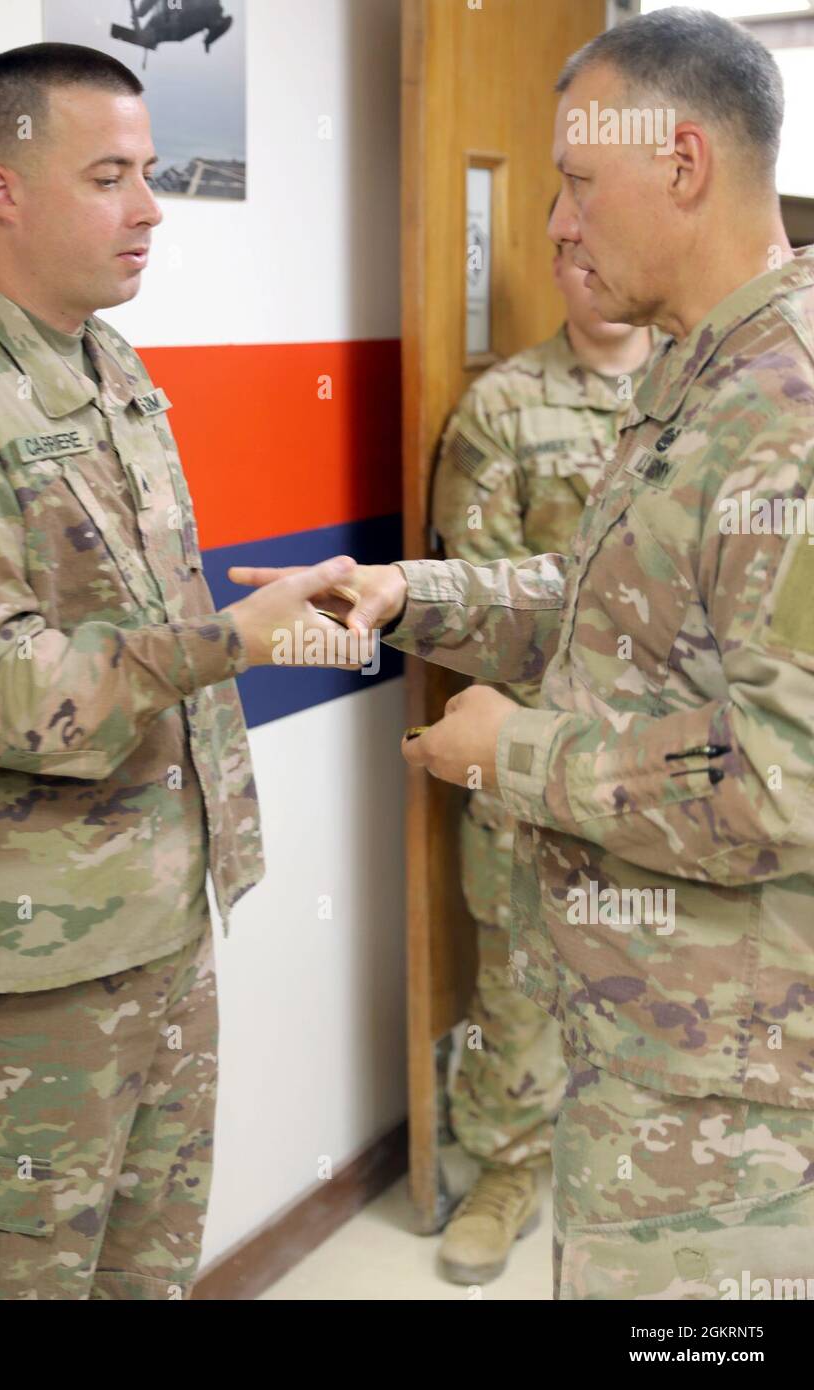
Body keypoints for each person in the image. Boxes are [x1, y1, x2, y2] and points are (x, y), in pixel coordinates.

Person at [233, 7, 814, 1298]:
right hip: (655, 1037)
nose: (553, 222)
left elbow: (788, 778)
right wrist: (406, 591)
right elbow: (610, 596)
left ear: (682, 164)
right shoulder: (707, 379)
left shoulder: (791, 409)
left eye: (574, 180)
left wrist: (518, 751)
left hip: (741, 1088)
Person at [0, 41, 353, 1300]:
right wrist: (237, 639)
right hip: (19, 974)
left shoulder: (105, 362)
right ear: (1, 189)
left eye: (151, 171)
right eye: (109, 175)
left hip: (160, 924)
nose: (148, 206)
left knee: (145, 1281)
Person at [433, 228, 656, 1285]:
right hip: (529, 762)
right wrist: (541, 749)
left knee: (662, 982)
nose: (587, 261)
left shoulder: (703, 394)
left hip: (665, 773)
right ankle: (506, 1168)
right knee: (515, 982)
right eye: (562, 247)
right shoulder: (502, 408)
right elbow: (475, 606)